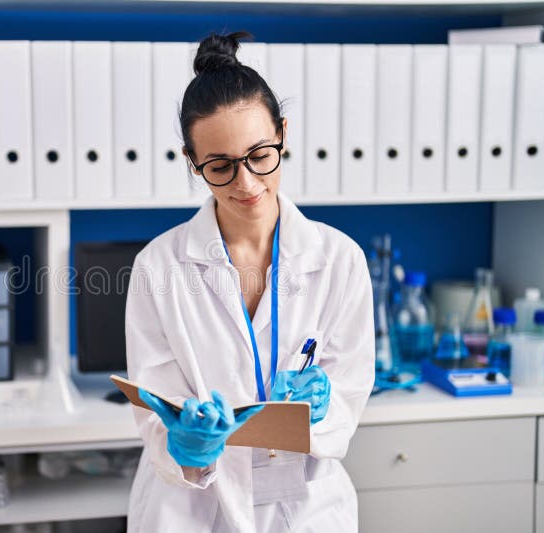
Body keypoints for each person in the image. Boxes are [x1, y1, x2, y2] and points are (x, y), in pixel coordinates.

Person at [124, 31, 375, 532]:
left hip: (307, 513)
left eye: (261, 155)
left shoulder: (340, 260)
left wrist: (319, 409)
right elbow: (157, 414)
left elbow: (346, 402)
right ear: (192, 162)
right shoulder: (158, 267)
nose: (246, 183)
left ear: (283, 133)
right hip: (192, 514)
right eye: (220, 166)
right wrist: (187, 445)